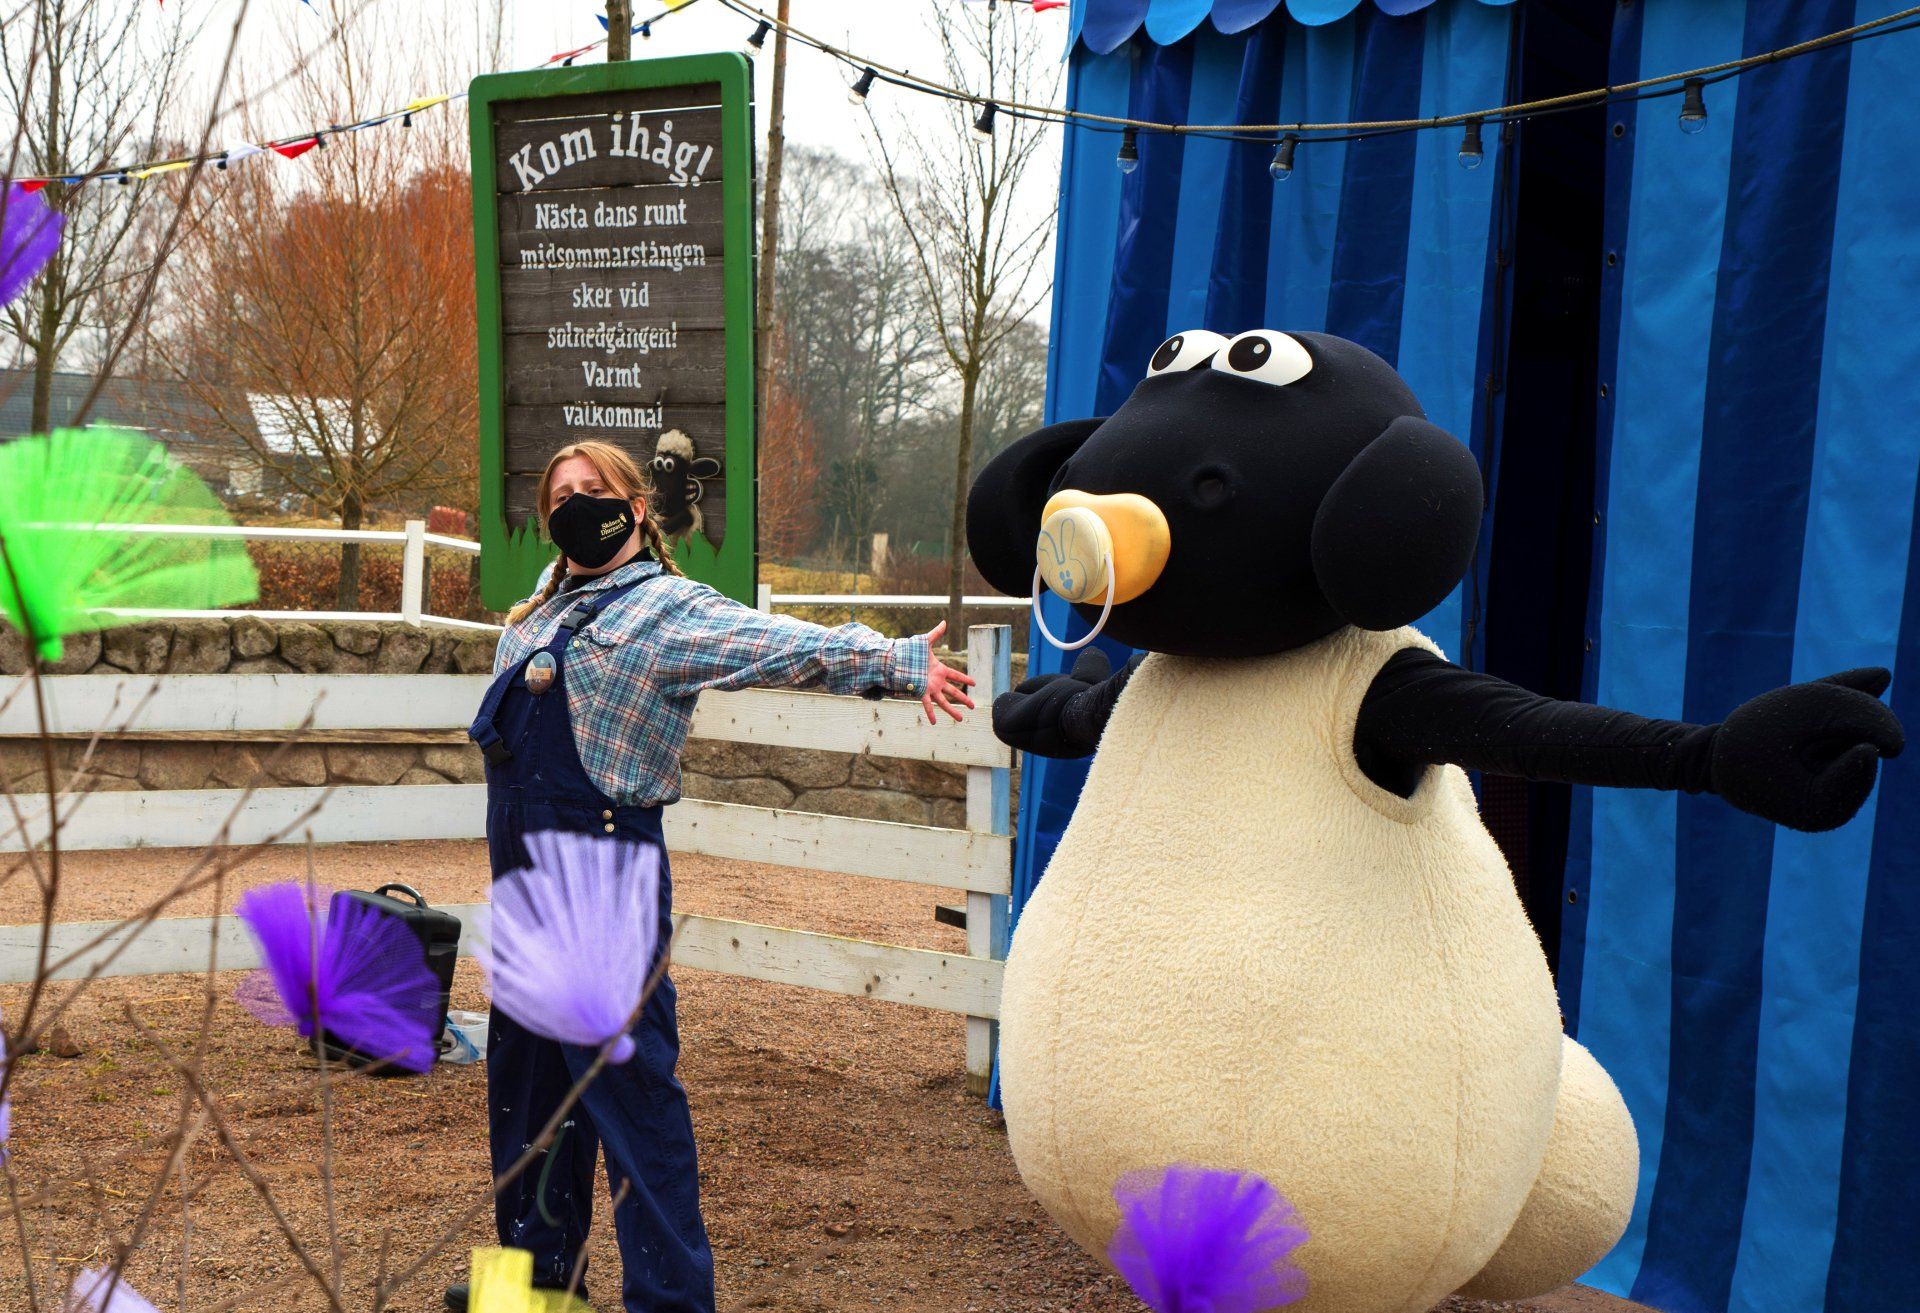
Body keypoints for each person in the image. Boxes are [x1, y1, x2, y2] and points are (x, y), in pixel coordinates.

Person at [449, 440, 975, 1313]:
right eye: (562, 493)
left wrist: (891, 661)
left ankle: (669, 1301)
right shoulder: (532, 616)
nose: (576, 503)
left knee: (634, 1109)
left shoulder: (668, 610)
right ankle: (533, 1292)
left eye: (595, 491)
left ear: (638, 508)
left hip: (605, 887)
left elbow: (780, 645)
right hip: (526, 892)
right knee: (531, 1106)